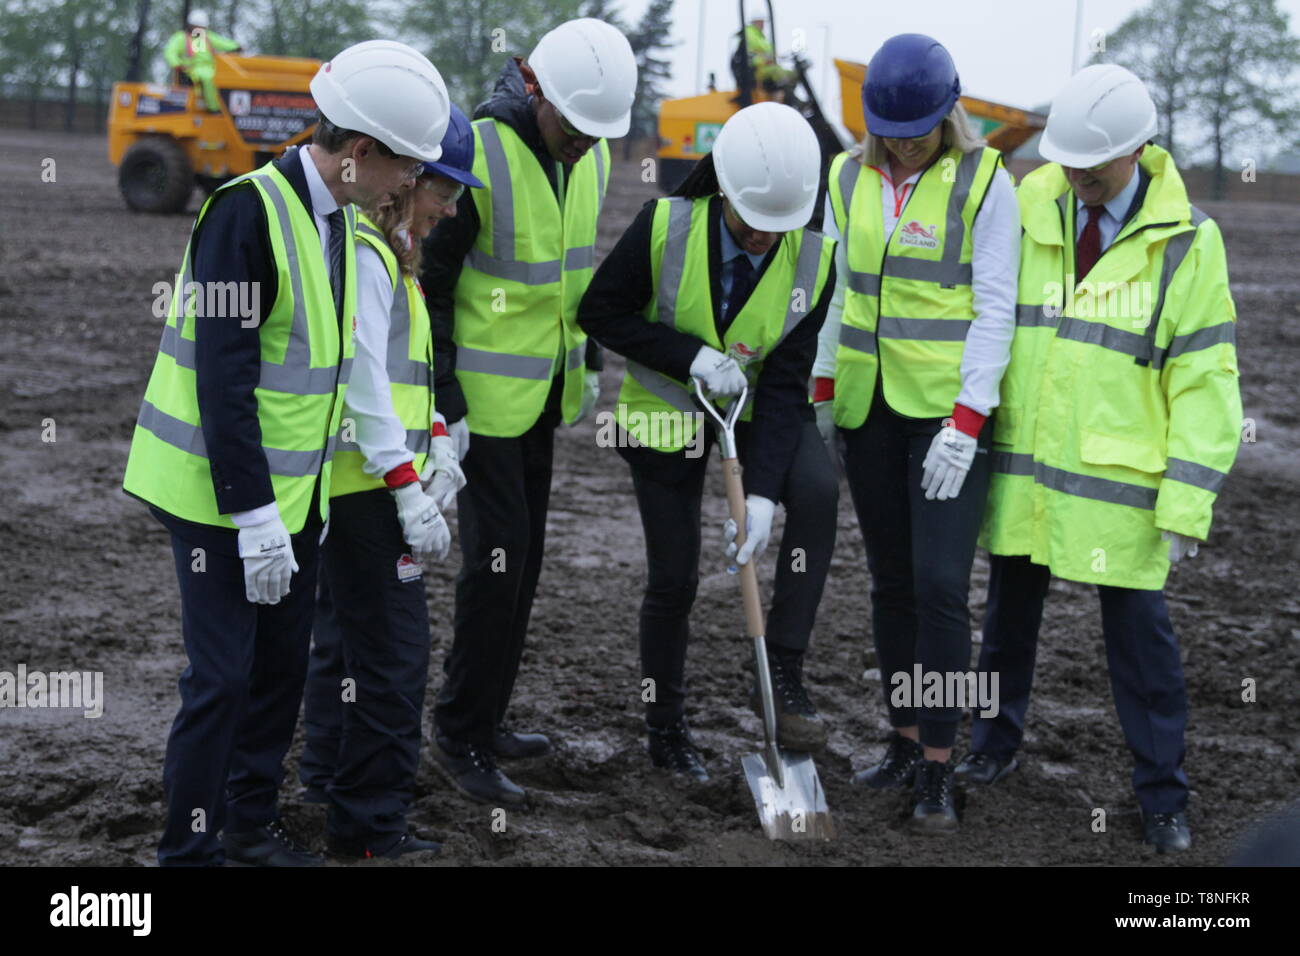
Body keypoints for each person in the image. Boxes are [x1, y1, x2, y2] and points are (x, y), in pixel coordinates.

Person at [122, 40, 450, 867]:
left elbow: (340, 377)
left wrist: (391, 474)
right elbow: (222, 381)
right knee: (222, 680)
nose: (409, 187)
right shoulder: (243, 213)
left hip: (294, 499)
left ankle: (248, 829)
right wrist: (257, 518)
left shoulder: (338, 223)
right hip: (211, 493)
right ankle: (187, 855)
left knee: (276, 673)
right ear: (360, 153)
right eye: (404, 168)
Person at [956, 64, 1242, 854]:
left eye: (1094, 165)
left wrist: (1188, 498)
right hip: (1024, 465)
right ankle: (990, 748)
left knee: (1141, 647)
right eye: (1069, 162)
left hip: (1122, 484)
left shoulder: (1189, 243)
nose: (1078, 175)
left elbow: (1206, 378)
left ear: (1138, 150)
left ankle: (1162, 797)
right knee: (1004, 625)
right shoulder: (1029, 200)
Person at [579, 102, 837, 779]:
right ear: (724, 187)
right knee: (675, 577)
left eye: (779, 228)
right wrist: (687, 356)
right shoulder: (662, 227)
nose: (763, 239)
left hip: (752, 412)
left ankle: (780, 675)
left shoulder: (813, 260)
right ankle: (665, 726)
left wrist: (763, 497)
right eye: (753, 223)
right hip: (666, 415)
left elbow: (784, 386)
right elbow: (599, 312)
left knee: (812, 489)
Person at [420, 18, 638, 807]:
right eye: (574, 125)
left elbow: (570, 271)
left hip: (546, 394)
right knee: (495, 565)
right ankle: (457, 734)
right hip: (480, 405)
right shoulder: (479, 150)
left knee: (523, 565)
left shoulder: (595, 150)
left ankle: (486, 717)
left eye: (596, 130)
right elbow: (429, 284)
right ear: (534, 88)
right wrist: (444, 402)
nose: (585, 141)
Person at [814, 34, 1019, 831]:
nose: (905, 144)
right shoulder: (846, 175)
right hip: (869, 412)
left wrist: (967, 421)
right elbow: (837, 290)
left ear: (950, 113)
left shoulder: (983, 182)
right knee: (891, 585)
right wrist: (825, 389)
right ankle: (902, 739)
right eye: (893, 131)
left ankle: (940, 761)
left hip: (945, 421)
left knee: (941, 588)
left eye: (921, 130)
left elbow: (994, 305)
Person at [297, 106, 480, 860]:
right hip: (368, 491)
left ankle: (325, 782)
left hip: (362, 484)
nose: (451, 208)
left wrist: (436, 437)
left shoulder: (387, 256)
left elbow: (405, 376)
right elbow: (363, 381)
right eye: (443, 190)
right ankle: (369, 828)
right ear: (406, 183)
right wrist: (406, 485)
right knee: (395, 661)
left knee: (344, 647)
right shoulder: (370, 257)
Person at [163, 9, 241, 113]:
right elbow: (170, 52)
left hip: (210, 67)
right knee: (209, 78)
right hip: (190, 69)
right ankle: (214, 108)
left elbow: (222, 43)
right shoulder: (180, 37)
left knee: (225, 77)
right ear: (190, 25)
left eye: (202, 27)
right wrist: (177, 64)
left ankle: (228, 106)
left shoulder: (207, 37)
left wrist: (236, 47)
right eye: (196, 26)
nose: (199, 29)